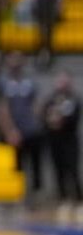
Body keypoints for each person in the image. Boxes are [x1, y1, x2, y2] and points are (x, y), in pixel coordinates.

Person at [0, 52, 45, 199]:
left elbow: (37, 105)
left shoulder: (30, 82)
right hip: (14, 131)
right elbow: (2, 108)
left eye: (19, 60)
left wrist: (36, 123)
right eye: (13, 59)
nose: (15, 63)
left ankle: (36, 194)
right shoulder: (3, 83)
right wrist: (10, 131)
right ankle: (16, 195)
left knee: (35, 164)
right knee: (16, 166)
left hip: (31, 130)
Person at [42, 72, 82, 220]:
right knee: (58, 171)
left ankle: (78, 200)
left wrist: (60, 120)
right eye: (59, 81)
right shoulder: (51, 99)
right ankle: (63, 199)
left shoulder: (74, 99)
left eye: (64, 81)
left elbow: (73, 118)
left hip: (70, 141)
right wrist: (52, 119)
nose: (62, 84)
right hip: (55, 141)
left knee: (72, 170)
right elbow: (45, 116)